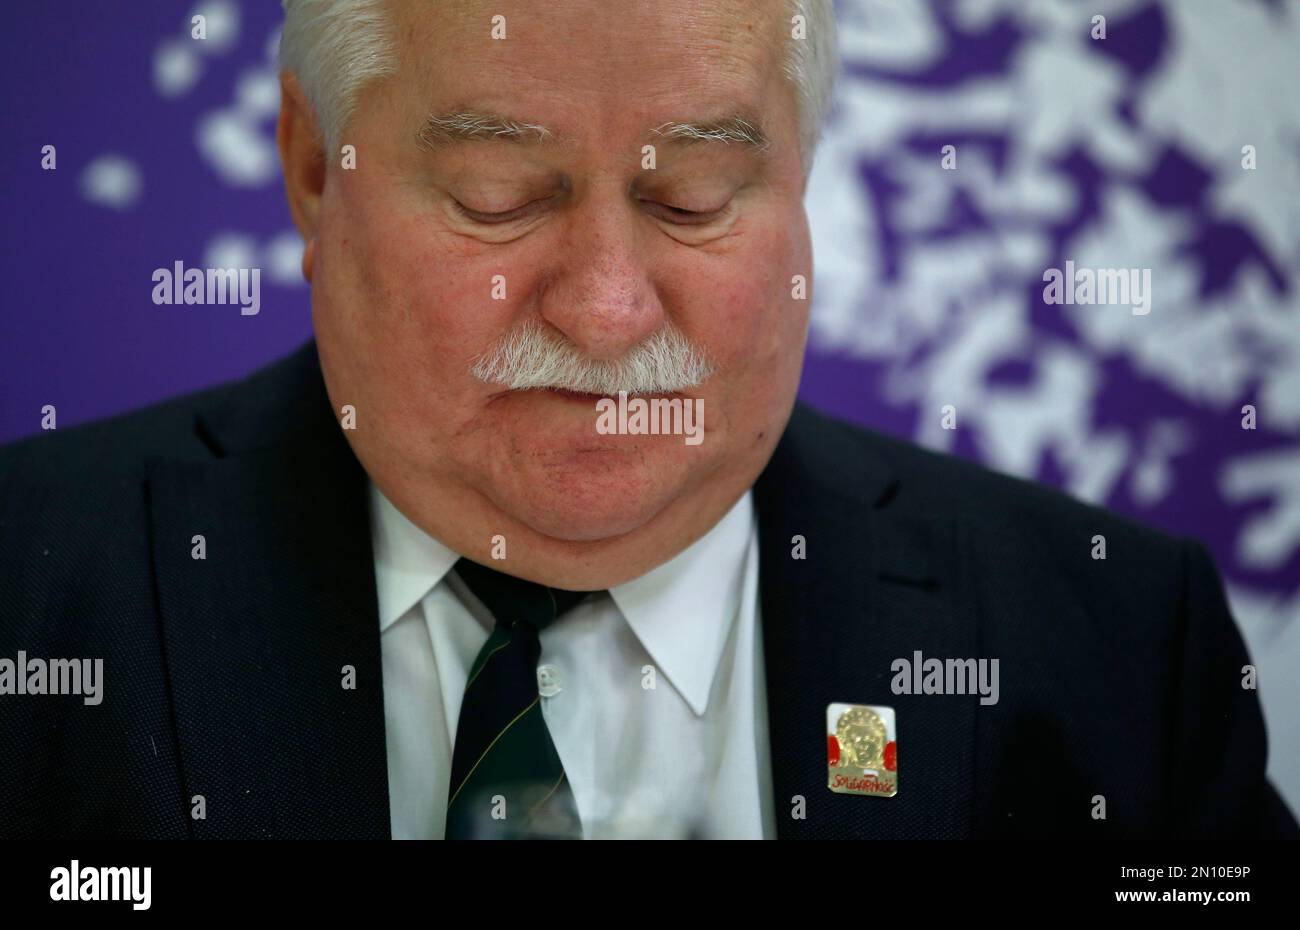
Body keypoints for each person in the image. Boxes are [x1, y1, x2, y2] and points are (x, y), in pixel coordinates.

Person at [1, 0, 1295, 840]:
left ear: (800, 181)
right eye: (499, 195)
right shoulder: (28, 587)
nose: (609, 312)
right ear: (310, 170)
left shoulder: (1119, 641)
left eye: (694, 196)